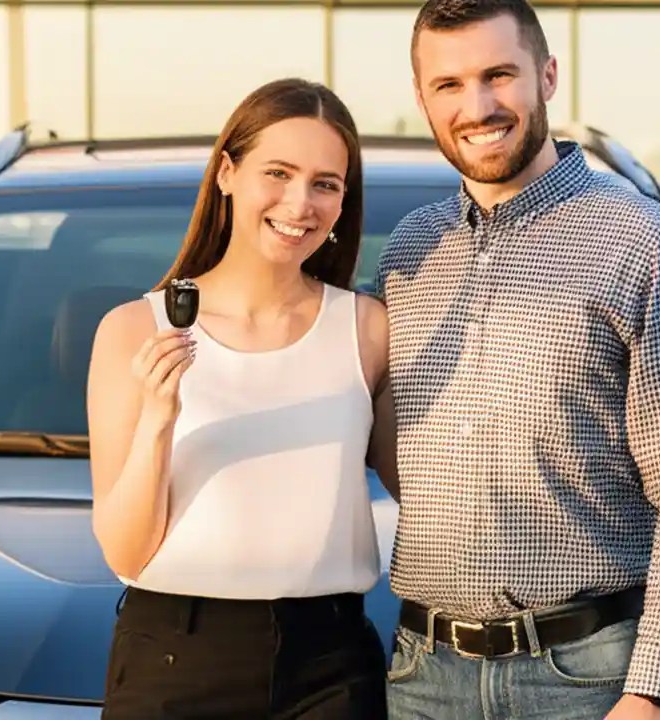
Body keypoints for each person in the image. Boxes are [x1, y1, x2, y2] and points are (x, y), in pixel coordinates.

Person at [373, 0, 660, 717]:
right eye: (448, 85)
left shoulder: (648, 243)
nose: (477, 106)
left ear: (546, 76)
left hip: (587, 680)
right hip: (423, 679)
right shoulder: (409, 255)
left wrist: (653, 696)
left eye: (498, 75)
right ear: (421, 98)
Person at [86, 77, 395, 719]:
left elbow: (429, 485)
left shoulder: (367, 329)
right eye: (277, 173)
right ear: (227, 171)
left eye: (325, 184)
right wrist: (158, 420)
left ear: (343, 201)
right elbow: (125, 550)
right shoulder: (133, 331)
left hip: (331, 670)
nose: (299, 203)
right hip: (173, 664)